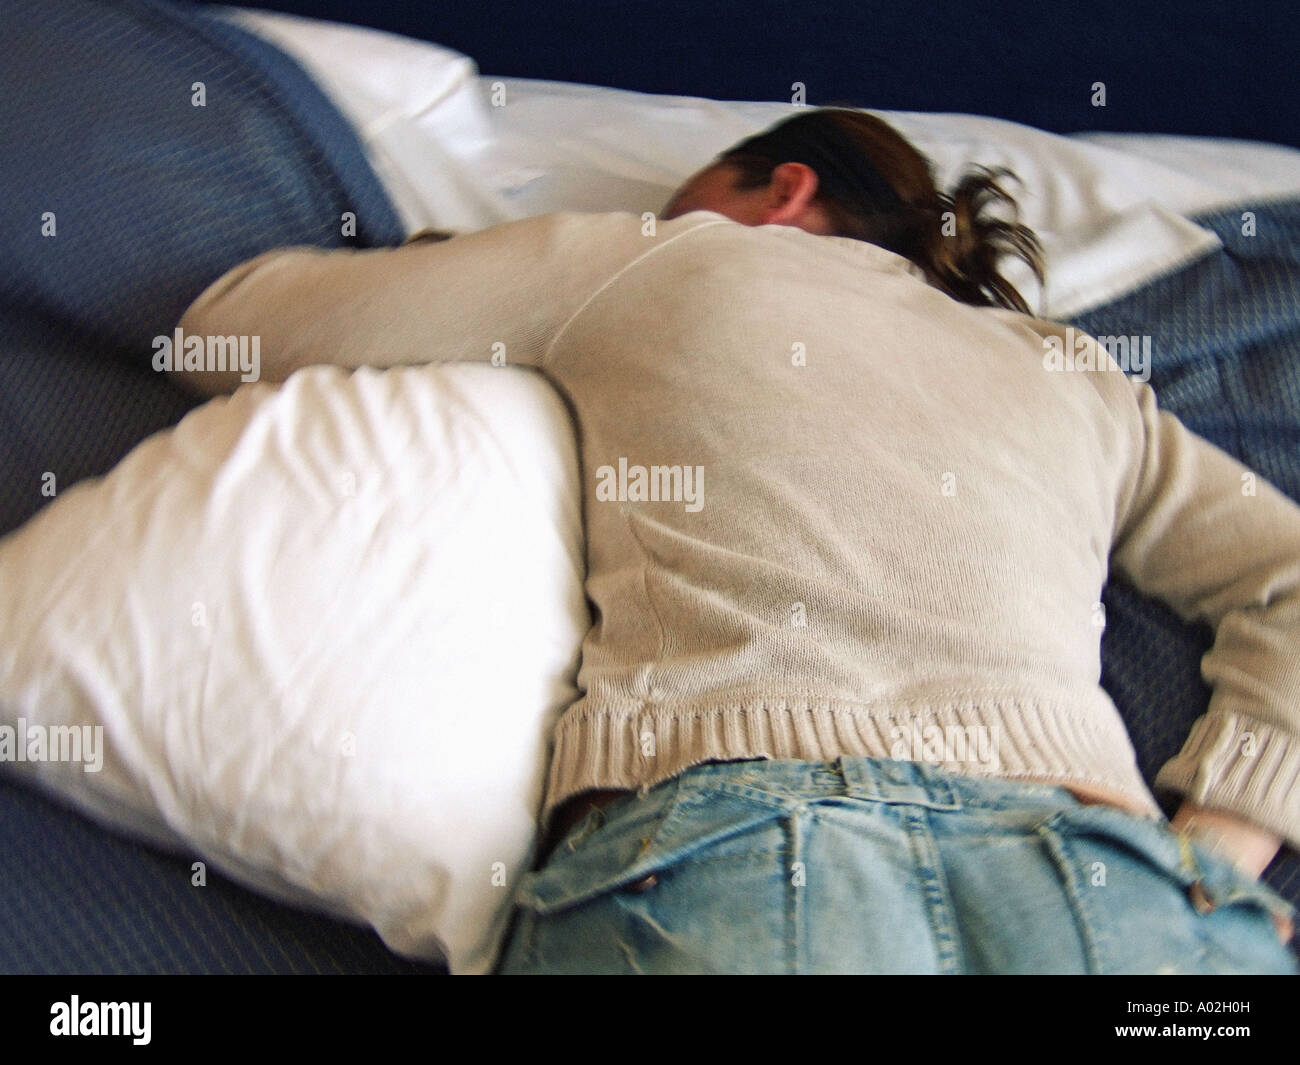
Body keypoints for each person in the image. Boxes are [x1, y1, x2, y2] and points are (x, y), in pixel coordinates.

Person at [175, 108, 1300, 974]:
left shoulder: (666, 258)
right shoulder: (1075, 373)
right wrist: (1219, 846)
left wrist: (468, 264)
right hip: (1103, 880)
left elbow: (228, 326)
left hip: (741, 844)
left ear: (784, 188)